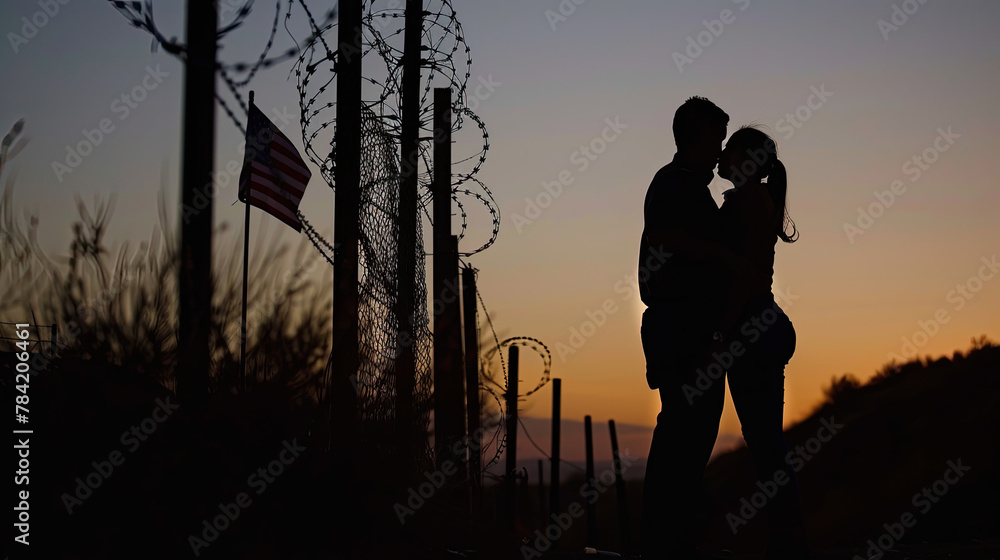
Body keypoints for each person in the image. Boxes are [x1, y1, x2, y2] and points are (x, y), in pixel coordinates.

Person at [639, 96, 751, 560]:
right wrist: (721, 255)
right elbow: (668, 238)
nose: (721, 147)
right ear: (696, 138)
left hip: (686, 331)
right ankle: (669, 541)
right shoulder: (675, 185)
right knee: (685, 437)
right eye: (717, 138)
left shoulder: (686, 186)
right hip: (683, 332)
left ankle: (674, 538)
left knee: (686, 437)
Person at [715, 125, 808, 560]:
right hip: (767, 324)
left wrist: (722, 331)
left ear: (745, 160)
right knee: (769, 441)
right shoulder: (760, 200)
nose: (721, 152)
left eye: (729, 147)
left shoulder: (747, 202)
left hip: (750, 328)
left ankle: (786, 539)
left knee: (766, 442)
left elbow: (742, 278)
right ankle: (786, 536)